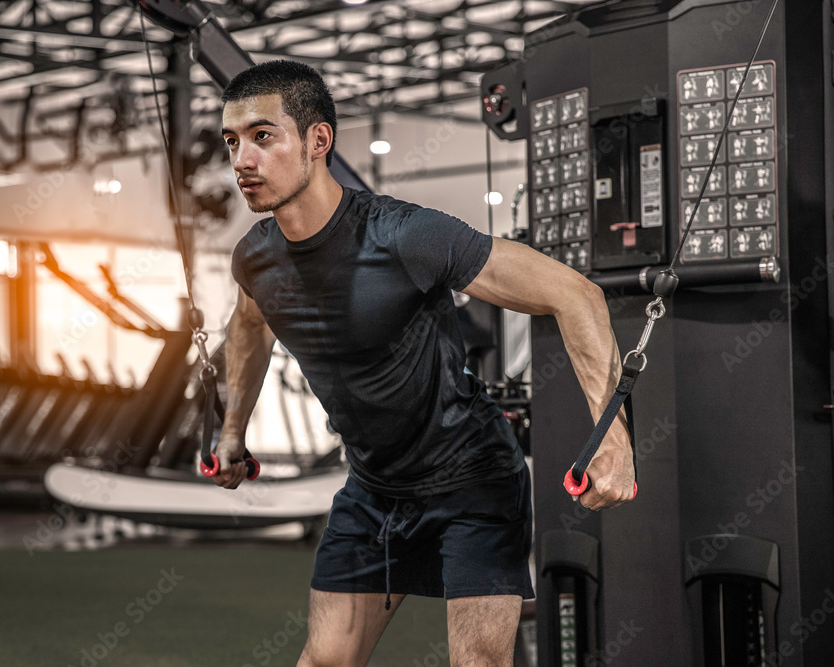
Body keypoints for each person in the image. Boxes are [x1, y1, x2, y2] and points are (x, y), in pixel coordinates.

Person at [215, 60, 635, 666]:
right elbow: (249, 326)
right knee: (323, 661)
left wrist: (612, 436)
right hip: (373, 489)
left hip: (473, 481)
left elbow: (575, 294)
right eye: (231, 142)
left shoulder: (406, 235)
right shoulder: (255, 259)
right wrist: (233, 432)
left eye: (262, 136)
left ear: (318, 141)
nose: (242, 160)